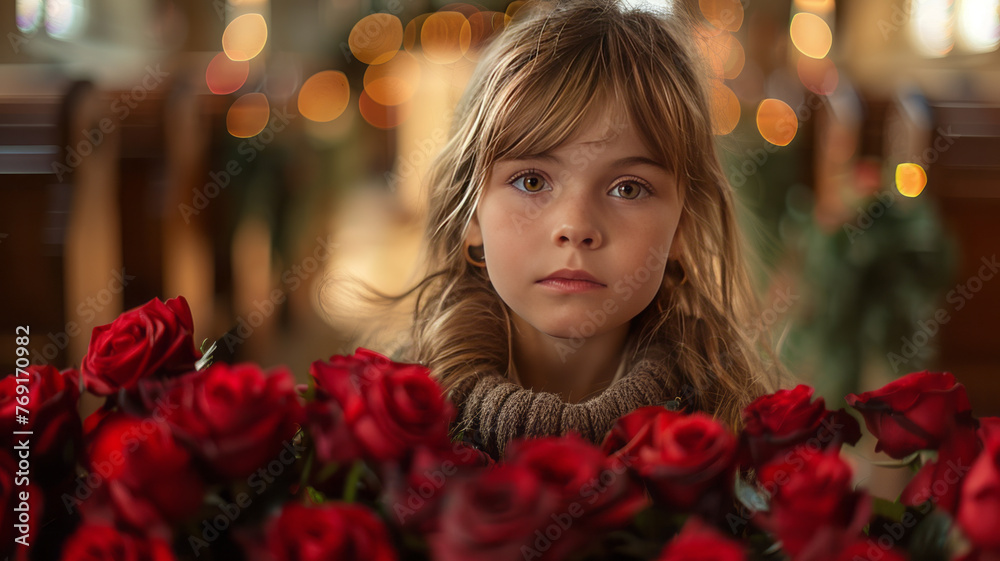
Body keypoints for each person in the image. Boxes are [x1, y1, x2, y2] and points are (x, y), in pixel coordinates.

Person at [391, 0, 783, 460]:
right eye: (532, 181)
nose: (575, 228)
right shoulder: (388, 427)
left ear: (683, 226)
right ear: (471, 215)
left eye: (628, 189)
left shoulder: (739, 444)